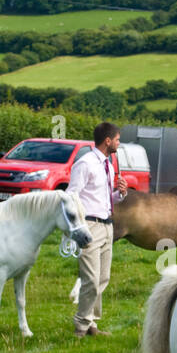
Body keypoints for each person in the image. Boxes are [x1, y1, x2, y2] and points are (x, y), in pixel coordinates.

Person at [68, 121, 127, 337]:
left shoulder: (108, 166)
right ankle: (81, 326)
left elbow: (105, 199)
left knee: (102, 278)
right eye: (118, 140)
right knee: (90, 280)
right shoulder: (85, 164)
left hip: (107, 224)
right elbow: (72, 196)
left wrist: (120, 194)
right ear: (108, 141)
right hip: (90, 226)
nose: (119, 144)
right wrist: (77, 228)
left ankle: (92, 323)